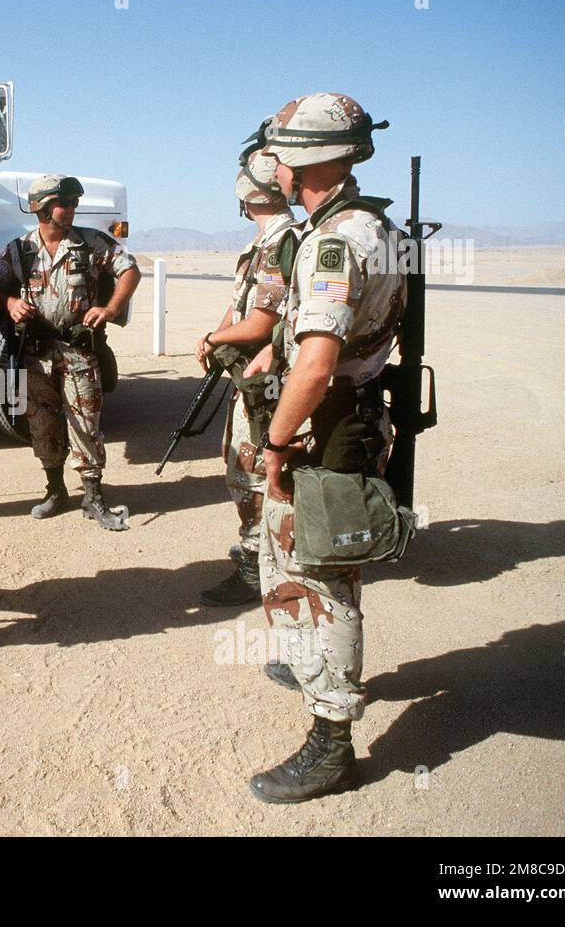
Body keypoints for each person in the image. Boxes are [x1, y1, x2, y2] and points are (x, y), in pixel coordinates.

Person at [244, 93, 404, 802]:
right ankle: (312, 665)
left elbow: (315, 361)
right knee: (307, 562)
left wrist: (276, 441)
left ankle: (332, 740)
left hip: (330, 424)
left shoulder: (338, 241)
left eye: (280, 152)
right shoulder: (371, 226)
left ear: (304, 159)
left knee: (325, 576)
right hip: (346, 412)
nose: (272, 165)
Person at [0, 175, 141, 530]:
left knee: (85, 424)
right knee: (41, 423)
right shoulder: (19, 249)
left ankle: (93, 497)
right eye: (62, 203)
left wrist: (110, 310)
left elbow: (129, 269)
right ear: (39, 206)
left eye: (73, 203)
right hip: (36, 354)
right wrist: (10, 302)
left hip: (79, 353)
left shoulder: (89, 243)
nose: (69, 209)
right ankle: (55, 491)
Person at [197, 149, 300, 606]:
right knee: (251, 465)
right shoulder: (266, 242)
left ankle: (259, 567)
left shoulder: (281, 242)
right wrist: (219, 335)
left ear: (249, 195)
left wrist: (214, 337)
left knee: (251, 472)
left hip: (269, 381)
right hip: (256, 379)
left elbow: (259, 324)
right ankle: (266, 555)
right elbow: (242, 304)